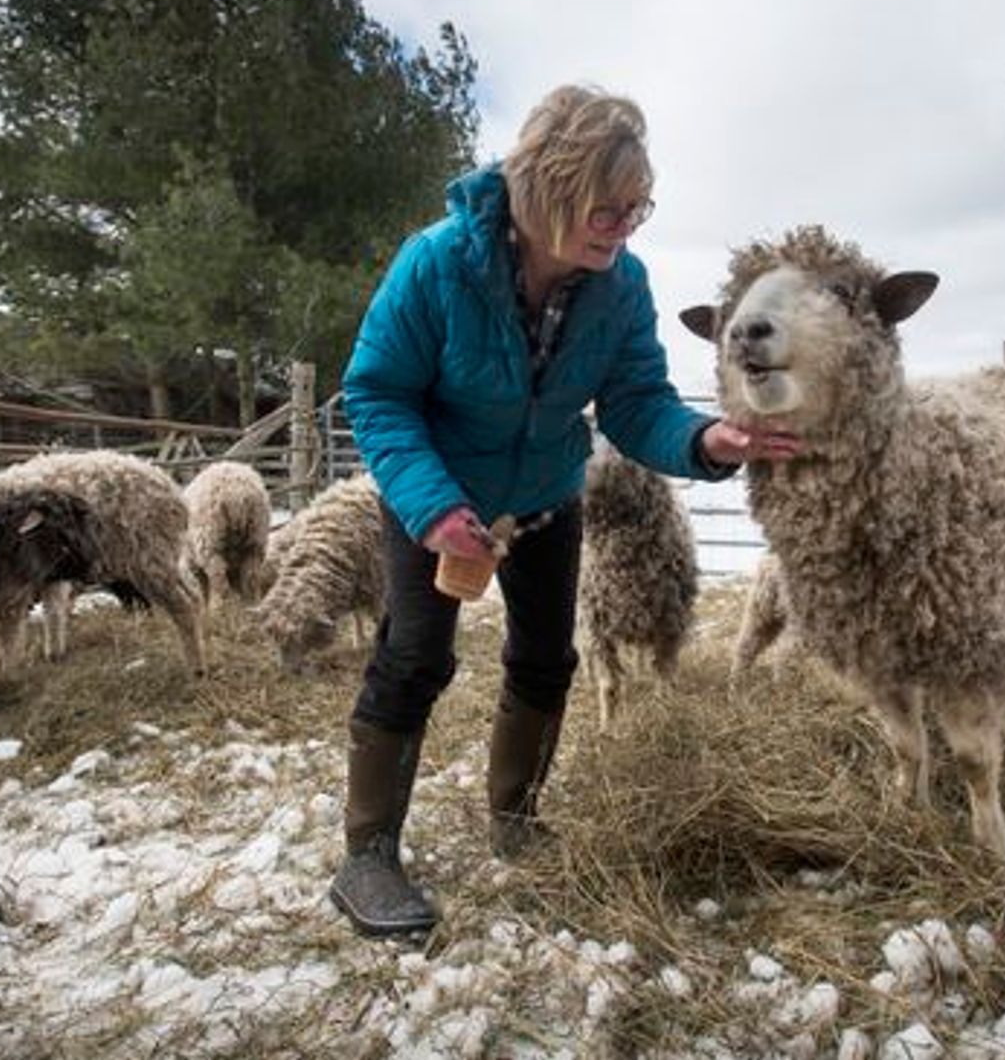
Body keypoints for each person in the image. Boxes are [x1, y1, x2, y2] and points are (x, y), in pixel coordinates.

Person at [331, 83, 800, 937]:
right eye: (607, 207)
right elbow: (377, 392)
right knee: (414, 658)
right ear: (549, 185)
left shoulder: (620, 287)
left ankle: (516, 820)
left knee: (548, 658)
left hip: (546, 498)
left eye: (637, 209)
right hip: (437, 499)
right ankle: (368, 853)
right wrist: (434, 507)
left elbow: (633, 400)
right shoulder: (436, 264)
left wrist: (702, 443)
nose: (623, 227)